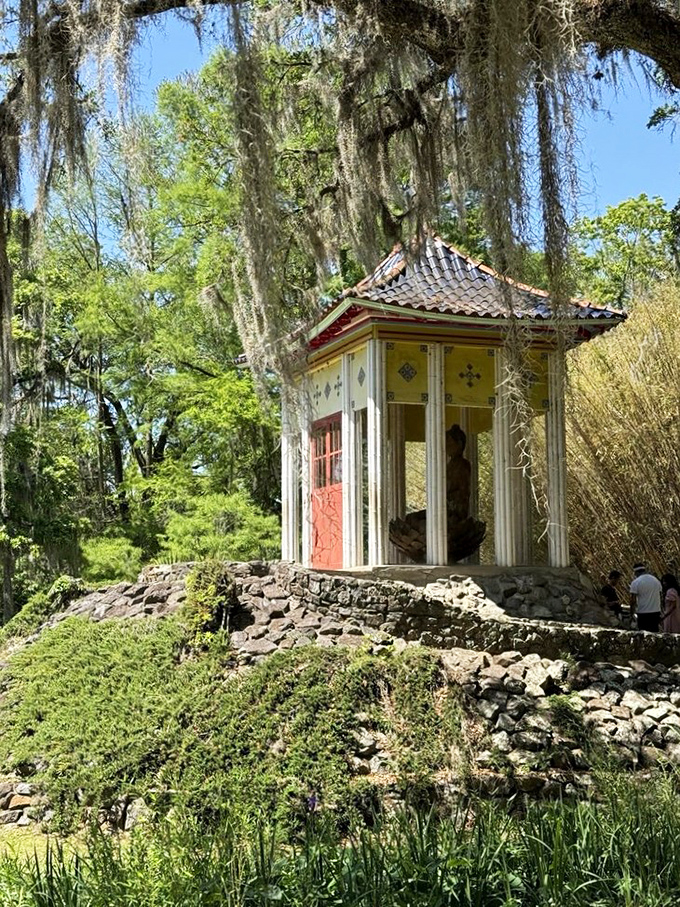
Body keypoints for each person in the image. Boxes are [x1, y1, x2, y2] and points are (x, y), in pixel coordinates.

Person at [629, 563, 662, 632]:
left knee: (643, 635)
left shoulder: (636, 582)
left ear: (635, 572)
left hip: (643, 613)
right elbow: (660, 595)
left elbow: (633, 601)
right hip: (656, 612)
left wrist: (631, 614)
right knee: (654, 633)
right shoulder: (656, 580)